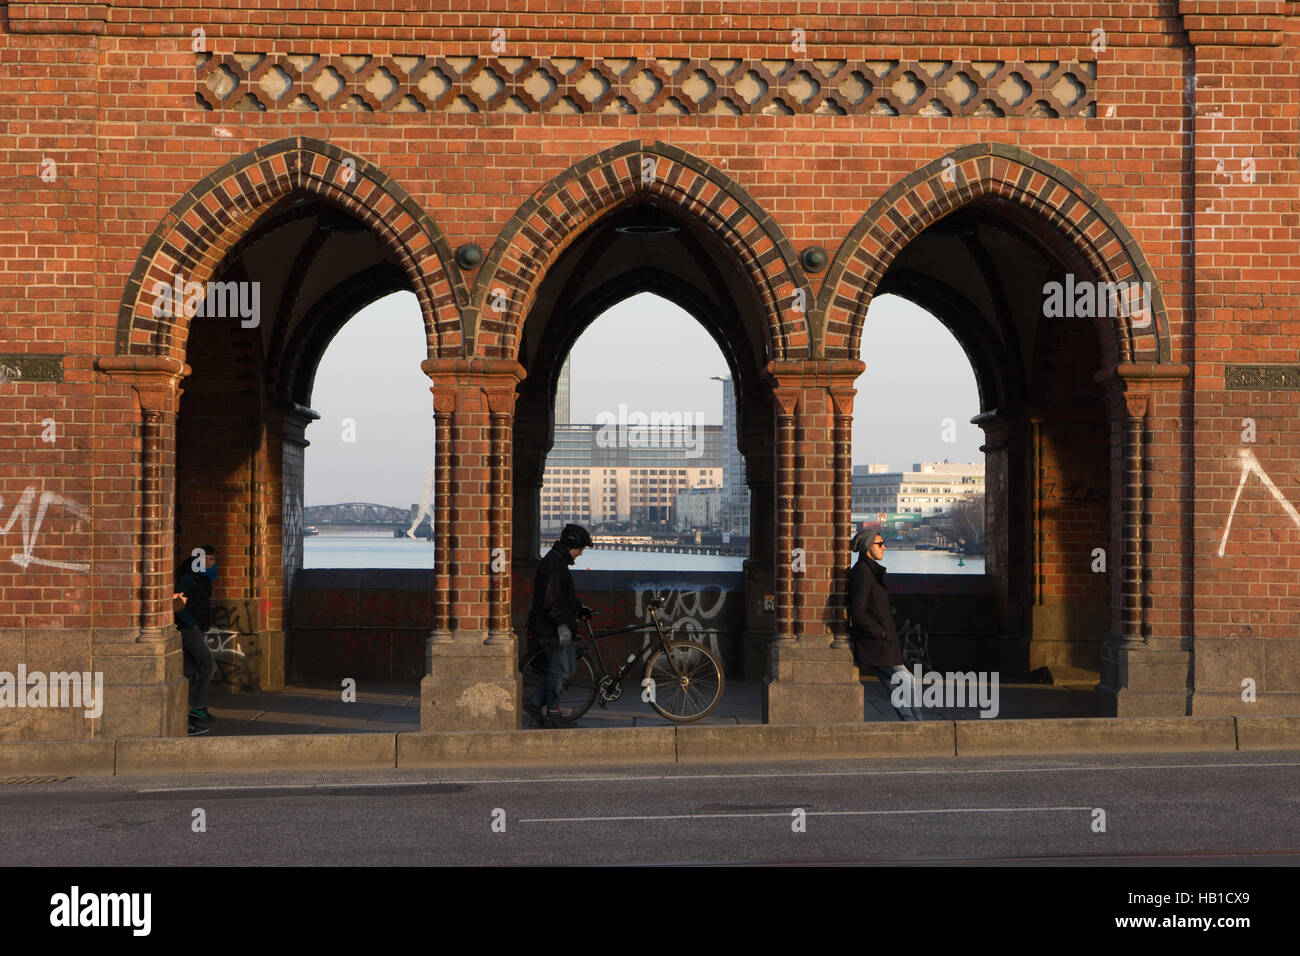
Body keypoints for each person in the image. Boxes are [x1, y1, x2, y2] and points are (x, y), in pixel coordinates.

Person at [849, 530, 922, 721]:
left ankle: (911, 721)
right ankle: (917, 722)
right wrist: (880, 632)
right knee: (908, 682)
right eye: (879, 544)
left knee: (893, 685)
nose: (884, 548)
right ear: (867, 547)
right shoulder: (863, 573)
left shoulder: (870, 570)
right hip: (877, 642)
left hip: (880, 641)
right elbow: (858, 611)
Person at [525, 523, 592, 728]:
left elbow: (563, 597)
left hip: (554, 625)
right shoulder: (555, 564)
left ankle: (534, 703)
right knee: (558, 672)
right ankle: (553, 715)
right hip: (551, 628)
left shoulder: (557, 561)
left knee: (566, 669)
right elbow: (552, 599)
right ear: (572, 546)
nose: (580, 554)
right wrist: (562, 624)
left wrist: (578, 607)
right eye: (580, 549)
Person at [174, 544, 220, 734]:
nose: (208, 562)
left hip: (196, 628)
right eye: (204, 558)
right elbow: (176, 601)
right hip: (187, 629)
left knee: (188, 670)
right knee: (209, 665)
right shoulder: (189, 577)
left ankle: (182, 713)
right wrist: (191, 623)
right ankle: (197, 708)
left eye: (211, 559)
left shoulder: (203, 578)